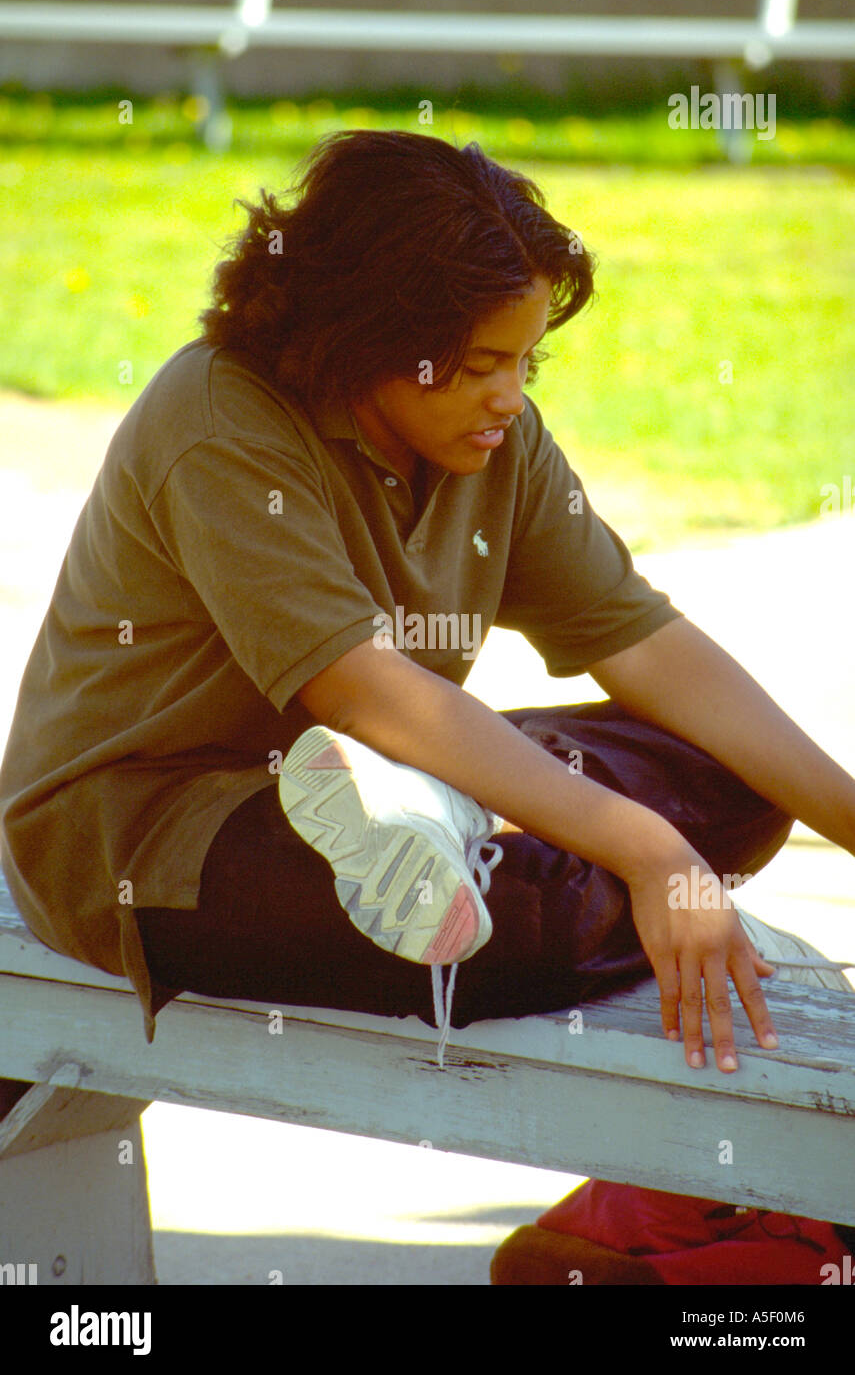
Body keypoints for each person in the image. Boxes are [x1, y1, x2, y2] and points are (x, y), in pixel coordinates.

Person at [1, 131, 853, 1248]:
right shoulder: (218, 417)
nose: (510, 395)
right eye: (480, 362)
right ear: (370, 339)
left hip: (375, 779)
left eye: (527, 363)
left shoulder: (499, 441)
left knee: (733, 782)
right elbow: (363, 692)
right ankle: (457, 829)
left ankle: (439, 816)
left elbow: (640, 638)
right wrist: (651, 857)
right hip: (152, 834)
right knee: (524, 916)